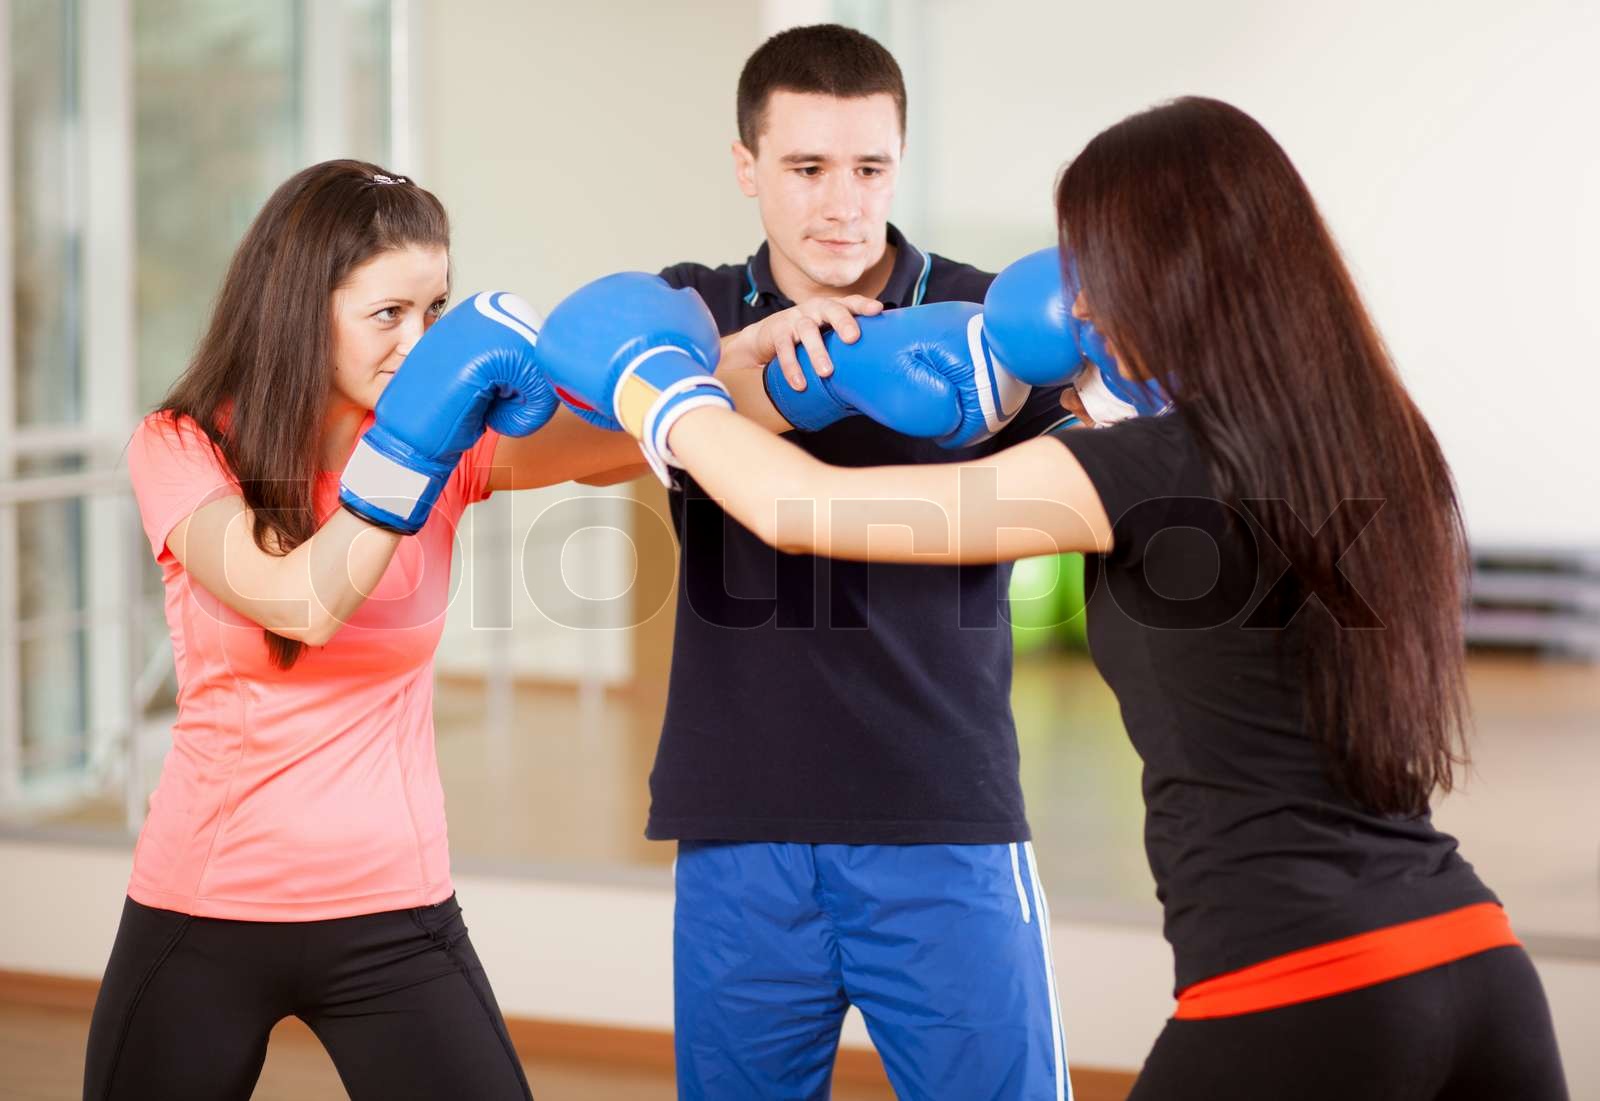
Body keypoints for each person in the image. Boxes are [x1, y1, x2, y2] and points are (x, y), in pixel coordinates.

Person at [539, 96, 1570, 1100]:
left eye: (1096, 269)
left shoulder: (1144, 468)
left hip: (1299, 993)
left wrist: (662, 389)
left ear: (1166, 271)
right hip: (1473, 960)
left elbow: (801, 506)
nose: (1078, 303)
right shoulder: (1379, 438)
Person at [85, 158, 641, 1100]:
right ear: (302, 308)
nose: (421, 344)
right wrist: (413, 448)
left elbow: (629, 439)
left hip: (395, 909)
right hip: (204, 907)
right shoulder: (183, 446)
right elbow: (296, 599)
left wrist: (764, 367)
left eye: (437, 311)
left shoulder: (457, 443)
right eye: (389, 314)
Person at [624, 24, 1075, 1100]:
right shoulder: (691, 313)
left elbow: (1105, 479)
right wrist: (737, 382)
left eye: (869, 169)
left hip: (940, 812)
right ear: (747, 168)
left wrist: (1015, 396)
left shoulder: (987, 318)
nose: (841, 203)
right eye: (806, 168)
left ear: (898, 164)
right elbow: (558, 450)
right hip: (740, 817)